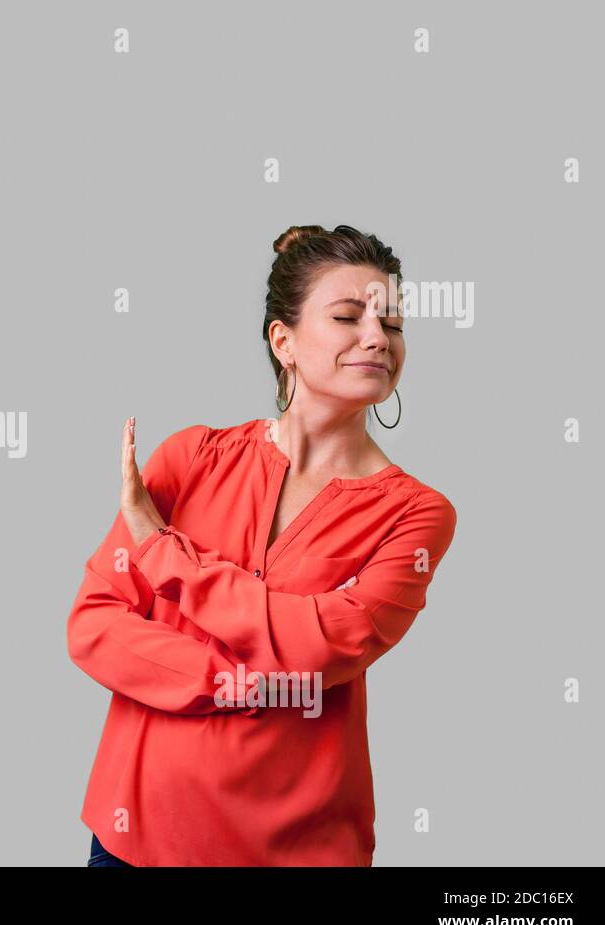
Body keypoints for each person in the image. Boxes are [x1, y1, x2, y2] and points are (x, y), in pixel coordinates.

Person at [68, 225, 458, 867]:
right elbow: (94, 626)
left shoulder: (415, 514)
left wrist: (163, 554)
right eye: (347, 317)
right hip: (132, 841)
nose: (376, 338)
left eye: (392, 323)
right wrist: (243, 681)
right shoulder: (190, 457)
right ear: (285, 342)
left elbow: (324, 647)